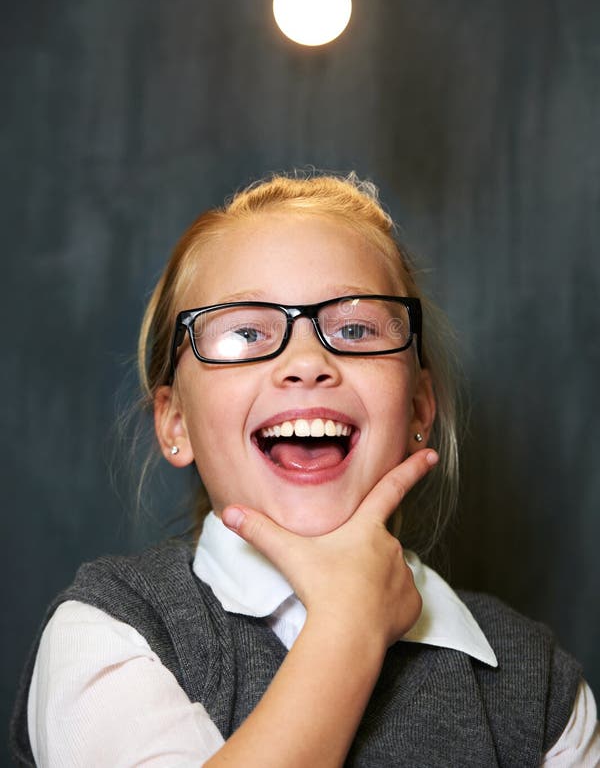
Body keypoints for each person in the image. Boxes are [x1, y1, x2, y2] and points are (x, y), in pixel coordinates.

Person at [11, 173, 600, 767]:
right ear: (176, 423)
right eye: (246, 332)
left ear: (419, 409)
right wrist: (349, 626)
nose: (307, 362)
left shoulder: (539, 690)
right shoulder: (109, 631)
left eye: (354, 329)